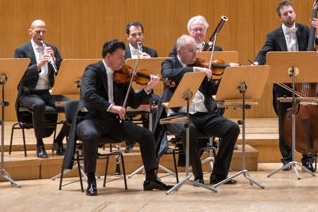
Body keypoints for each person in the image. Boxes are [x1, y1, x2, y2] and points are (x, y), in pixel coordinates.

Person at [73, 39, 169, 196]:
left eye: (124, 57)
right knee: (90, 136)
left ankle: (151, 178)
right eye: (120, 57)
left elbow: (133, 102)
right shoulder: (93, 70)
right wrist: (112, 107)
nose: (124, 61)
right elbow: (89, 95)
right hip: (91, 119)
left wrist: (147, 89)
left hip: (112, 123)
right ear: (108, 56)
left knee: (146, 135)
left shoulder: (122, 74)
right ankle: (91, 181)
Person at [159, 35, 240, 186]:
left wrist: (227, 74)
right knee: (189, 129)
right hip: (178, 115)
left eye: (195, 50)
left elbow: (213, 90)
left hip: (203, 114)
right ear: (179, 51)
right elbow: (168, 74)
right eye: (191, 51)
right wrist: (195, 69)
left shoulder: (201, 65)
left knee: (232, 128)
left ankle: (219, 175)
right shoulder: (169, 63)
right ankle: (198, 176)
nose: (195, 54)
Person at [253, 0, 318, 170]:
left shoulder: (307, 30)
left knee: (307, 121)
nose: (289, 15)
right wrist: (256, 64)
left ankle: (308, 157)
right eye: (285, 13)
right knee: (284, 123)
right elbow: (264, 52)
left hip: (305, 86)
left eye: (291, 12)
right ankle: (286, 158)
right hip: (283, 86)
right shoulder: (273, 36)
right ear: (280, 17)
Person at [14, 19, 64, 158]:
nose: (41, 34)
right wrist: (39, 64)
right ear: (30, 32)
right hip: (28, 94)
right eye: (37, 31)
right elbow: (20, 75)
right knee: (39, 105)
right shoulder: (21, 50)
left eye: (43, 31)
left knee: (72, 106)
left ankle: (59, 141)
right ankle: (40, 144)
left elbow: (62, 70)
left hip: (48, 93)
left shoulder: (52, 49)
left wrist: (54, 60)